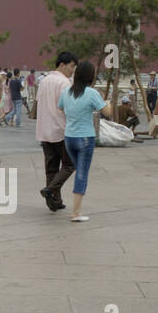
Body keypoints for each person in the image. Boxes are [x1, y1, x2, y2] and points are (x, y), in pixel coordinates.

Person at [57, 60, 114, 221]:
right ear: (90, 76)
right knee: (82, 173)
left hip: (69, 138)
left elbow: (60, 108)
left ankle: (76, 209)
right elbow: (107, 112)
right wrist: (107, 101)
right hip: (85, 138)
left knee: (78, 170)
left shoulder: (66, 92)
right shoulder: (92, 93)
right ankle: (76, 212)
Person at [36, 51, 77, 211]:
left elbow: (38, 103)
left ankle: (54, 201)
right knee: (69, 164)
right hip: (61, 130)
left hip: (44, 130)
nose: (73, 70)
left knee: (51, 168)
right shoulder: (64, 83)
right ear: (62, 64)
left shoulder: (44, 80)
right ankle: (50, 190)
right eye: (72, 66)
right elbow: (70, 108)